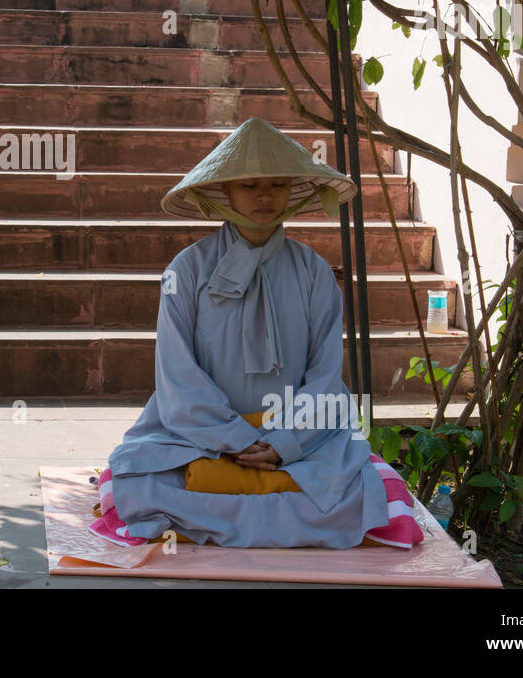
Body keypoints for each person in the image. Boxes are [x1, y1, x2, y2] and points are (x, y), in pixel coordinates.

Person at [105, 117, 392, 548]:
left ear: (292, 192)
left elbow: (326, 374)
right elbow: (177, 377)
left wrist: (284, 442)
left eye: (277, 184)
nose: (264, 196)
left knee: (359, 490)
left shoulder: (314, 272)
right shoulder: (185, 270)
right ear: (224, 191)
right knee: (137, 483)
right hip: (196, 436)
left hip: (299, 433)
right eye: (249, 184)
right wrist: (234, 439)